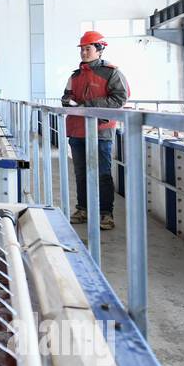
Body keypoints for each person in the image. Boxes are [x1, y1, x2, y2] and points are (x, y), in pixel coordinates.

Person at [61, 30, 129, 230]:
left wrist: (88, 104)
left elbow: (119, 98)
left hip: (100, 131)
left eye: (88, 49)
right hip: (77, 130)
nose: (83, 53)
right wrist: (67, 101)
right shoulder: (75, 75)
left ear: (99, 50)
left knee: (102, 174)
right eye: (82, 49)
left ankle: (105, 214)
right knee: (81, 173)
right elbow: (66, 96)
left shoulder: (111, 73)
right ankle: (82, 209)